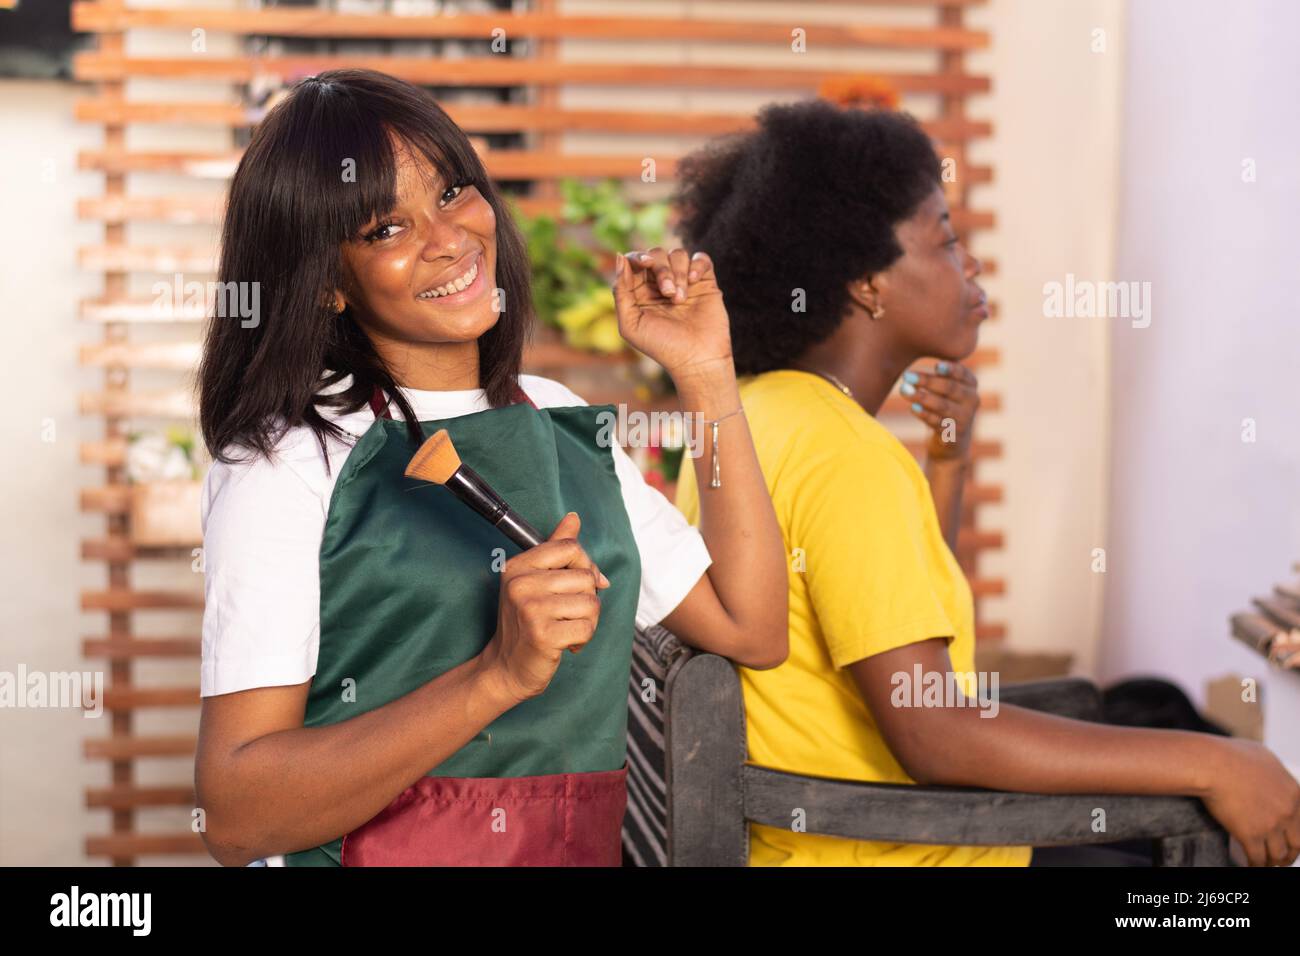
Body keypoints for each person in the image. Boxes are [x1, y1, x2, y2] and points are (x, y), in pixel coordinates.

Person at [672, 100, 1300, 867]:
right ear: (869, 283)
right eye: (945, 240)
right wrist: (1220, 760)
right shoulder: (849, 456)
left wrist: (947, 461)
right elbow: (933, 731)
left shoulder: (755, 417)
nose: (971, 266)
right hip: (907, 849)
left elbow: (873, 620)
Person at [193, 69, 787, 867]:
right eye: (383, 230)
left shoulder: (557, 421)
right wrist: (497, 676)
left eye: (452, 193)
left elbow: (752, 627)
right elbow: (236, 815)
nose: (447, 239)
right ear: (327, 282)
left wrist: (709, 376)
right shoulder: (291, 460)